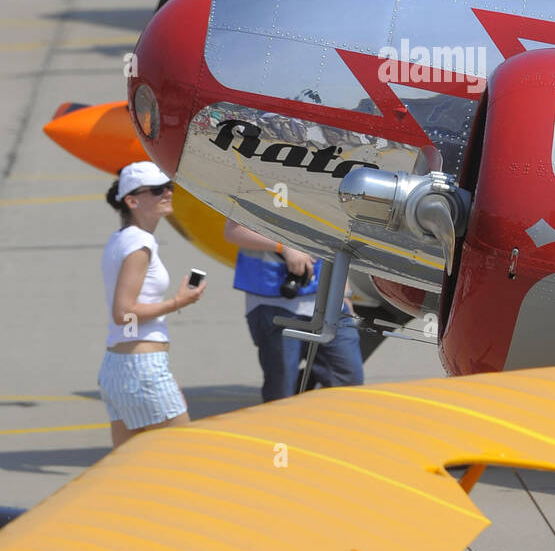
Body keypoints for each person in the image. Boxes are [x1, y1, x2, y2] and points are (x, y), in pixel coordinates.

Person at [99, 161, 205, 448]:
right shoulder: (140, 244)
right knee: (183, 457)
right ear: (132, 201)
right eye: (157, 190)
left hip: (117, 366)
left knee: (127, 468)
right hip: (141, 365)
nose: (168, 193)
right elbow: (124, 313)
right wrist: (177, 302)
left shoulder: (120, 239)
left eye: (168, 187)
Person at [224, 220, 363, 402]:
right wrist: (284, 247)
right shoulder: (258, 190)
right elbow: (234, 231)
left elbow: (337, 236)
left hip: (329, 302)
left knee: (349, 381)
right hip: (274, 305)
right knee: (281, 392)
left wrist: (344, 292)